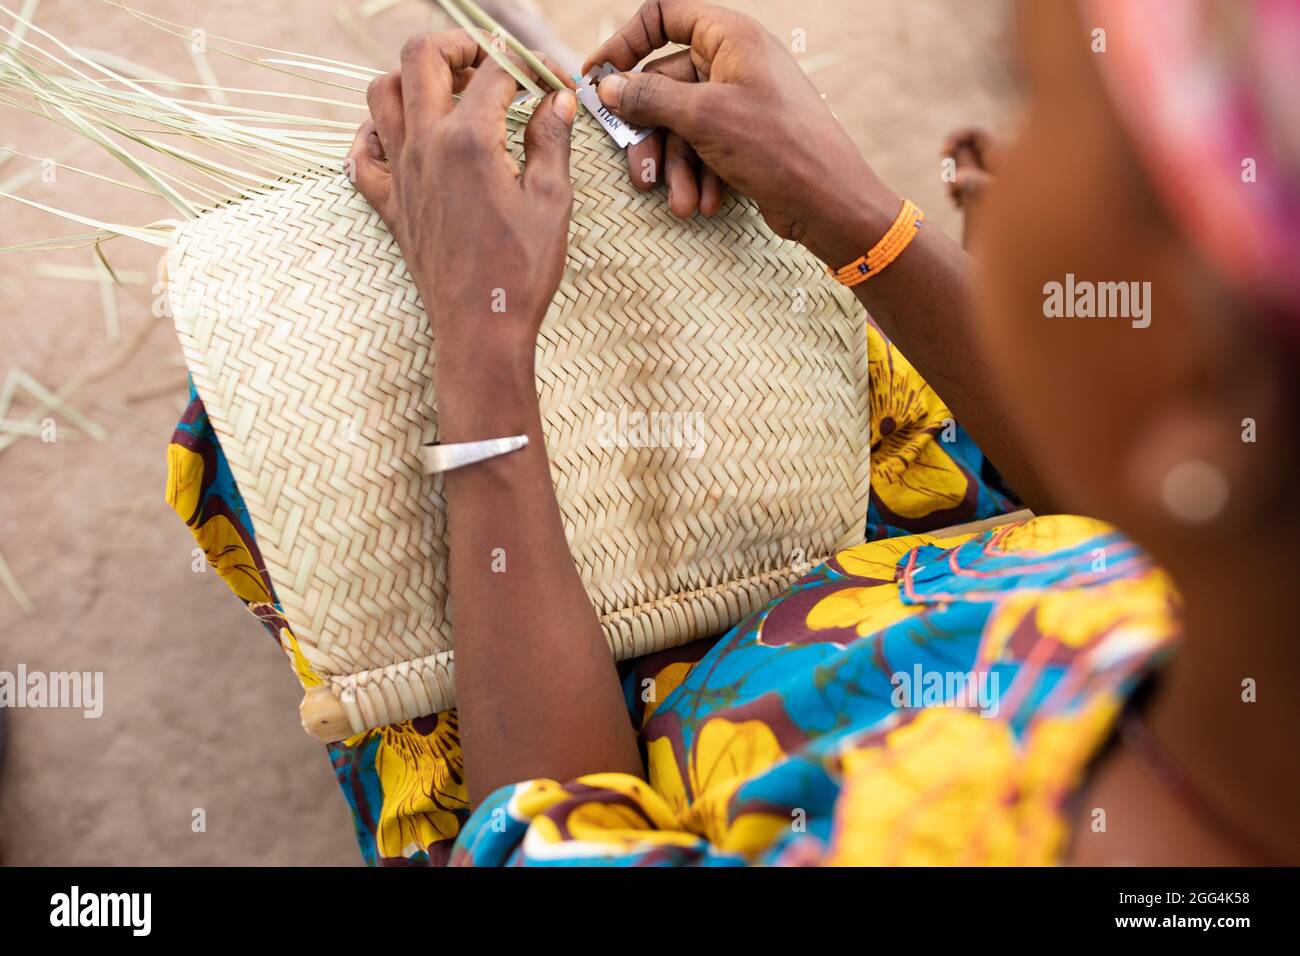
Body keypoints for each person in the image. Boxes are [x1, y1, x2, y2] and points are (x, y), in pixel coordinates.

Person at [169, 0, 1299, 865]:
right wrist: (856, 219)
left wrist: (482, 343)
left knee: (282, 432)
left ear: (1196, 371)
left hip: (580, 759)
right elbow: (1118, 513)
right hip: (937, 578)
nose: (978, 147)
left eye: (1037, 98)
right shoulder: (1248, 585)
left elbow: (556, 834)